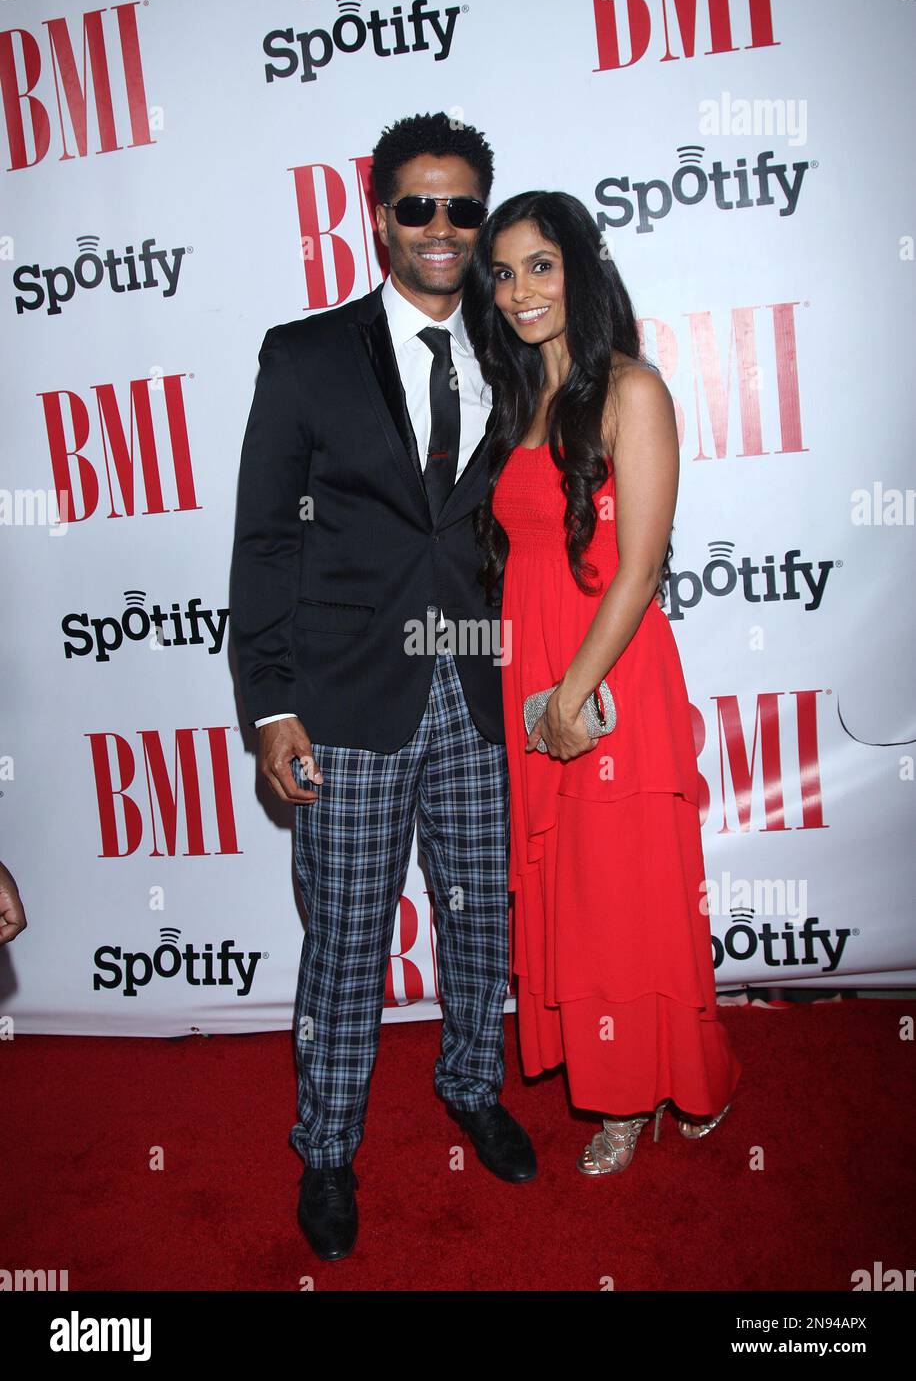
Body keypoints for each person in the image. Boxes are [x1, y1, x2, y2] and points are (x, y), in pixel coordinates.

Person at [228, 113, 535, 1262]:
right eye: (418, 206)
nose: (441, 229)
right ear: (379, 217)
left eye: (462, 208)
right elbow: (266, 540)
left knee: (479, 916)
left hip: (477, 688)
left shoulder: (515, 353)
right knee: (348, 937)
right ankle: (326, 1147)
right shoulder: (303, 354)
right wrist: (270, 703)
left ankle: (470, 1082)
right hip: (346, 701)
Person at [462, 191, 742, 1176]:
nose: (519, 289)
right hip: (533, 667)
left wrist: (571, 696)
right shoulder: (518, 399)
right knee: (574, 898)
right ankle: (617, 1084)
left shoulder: (634, 389)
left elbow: (639, 565)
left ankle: (656, 1089)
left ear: (581, 268)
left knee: (629, 893)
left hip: (607, 672)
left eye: (540, 264)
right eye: (502, 272)